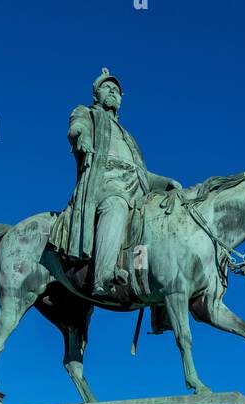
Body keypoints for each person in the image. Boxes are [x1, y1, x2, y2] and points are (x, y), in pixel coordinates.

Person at [52, 68, 181, 296]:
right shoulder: (88, 113)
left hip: (136, 190)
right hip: (105, 183)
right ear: (96, 95)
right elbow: (76, 127)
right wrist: (80, 137)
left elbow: (144, 175)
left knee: (162, 222)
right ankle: (103, 275)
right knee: (116, 205)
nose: (112, 92)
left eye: (117, 91)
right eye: (107, 88)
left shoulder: (129, 137)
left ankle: (162, 293)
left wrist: (166, 182)